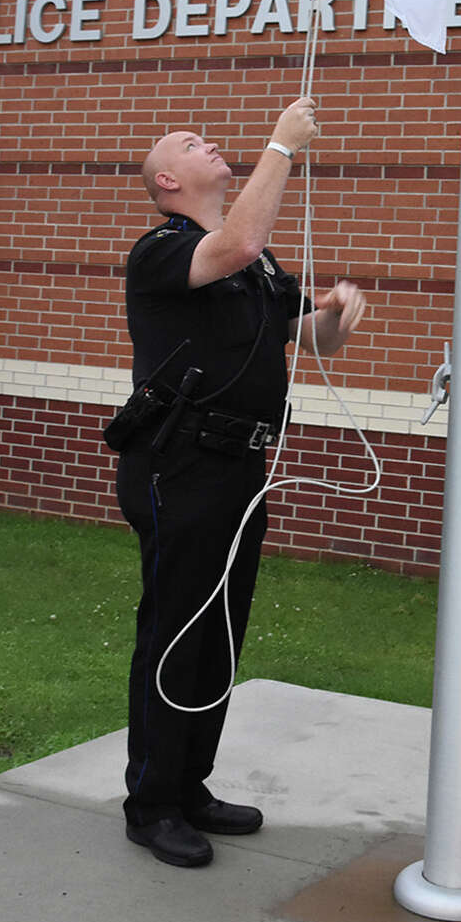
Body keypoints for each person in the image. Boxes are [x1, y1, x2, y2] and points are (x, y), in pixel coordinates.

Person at [115, 97, 367, 868]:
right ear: (168, 179)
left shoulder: (252, 262)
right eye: (193, 141)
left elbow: (309, 336)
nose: (210, 141)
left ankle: (189, 785)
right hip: (179, 465)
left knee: (219, 632)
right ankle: (151, 802)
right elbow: (236, 242)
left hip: (238, 467)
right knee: (177, 629)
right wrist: (281, 148)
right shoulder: (162, 250)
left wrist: (333, 315)